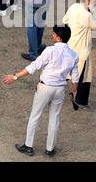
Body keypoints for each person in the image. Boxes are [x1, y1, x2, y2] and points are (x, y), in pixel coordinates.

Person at [6, 24, 78, 157]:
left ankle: (28, 146)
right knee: (54, 118)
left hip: (45, 87)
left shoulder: (50, 51)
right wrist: (74, 92)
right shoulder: (74, 55)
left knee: (35, 115)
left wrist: (15, 76)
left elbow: (33, 67)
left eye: (54, 34)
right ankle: (50, 148)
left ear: (57, 37)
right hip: (60, 89)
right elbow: (75, 78)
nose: (52, 35)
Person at [61, 0, 96, 108]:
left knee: (62, 72)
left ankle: (47, 91)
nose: (95, 3)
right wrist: (93, 12)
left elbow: (64, 20)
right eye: (94, 1)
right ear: (87, 1)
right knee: (84, 75)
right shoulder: (87, 15)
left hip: (70, 45)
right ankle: (80, 99)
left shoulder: (73, 7)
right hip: (82, 50)